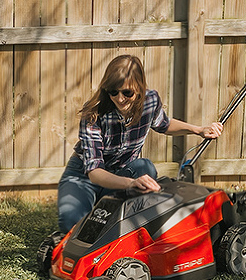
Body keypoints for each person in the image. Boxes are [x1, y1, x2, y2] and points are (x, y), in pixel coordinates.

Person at [57, 54, 223, 233]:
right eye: (114, 91)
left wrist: (198, 130)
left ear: (139, 88)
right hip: (84, 176)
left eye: (127, 92)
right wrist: (130, 183)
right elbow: (95, 173)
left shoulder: (150, 101)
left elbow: (164, 125)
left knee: (144, 166)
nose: (120, 98)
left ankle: (119, 217)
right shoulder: (94, 113)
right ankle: (96, 211)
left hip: (124, 170)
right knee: (73, 227)